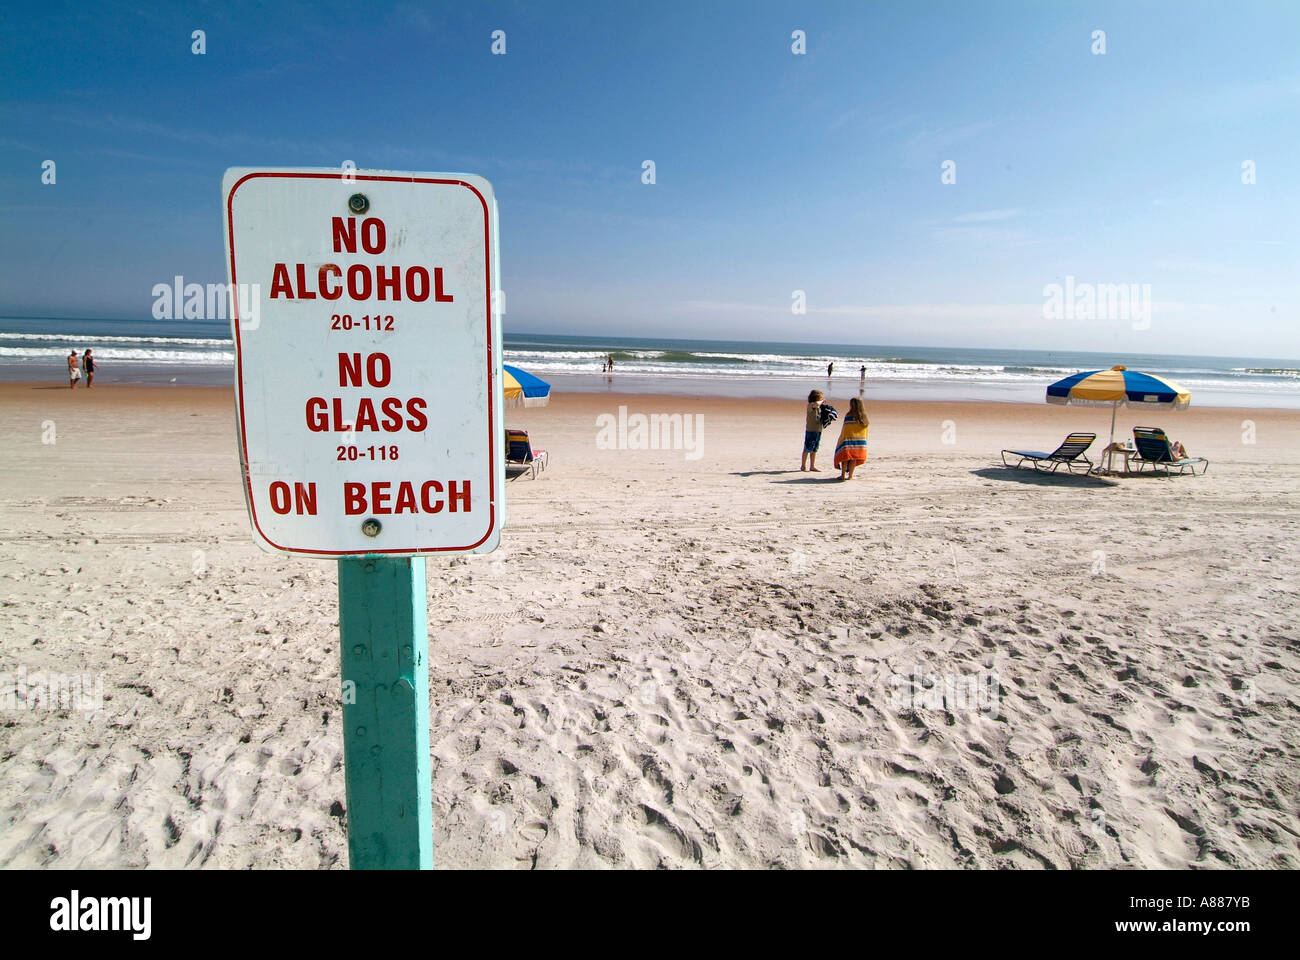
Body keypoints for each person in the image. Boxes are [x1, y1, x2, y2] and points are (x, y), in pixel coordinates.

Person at [834, 396, 870, 480]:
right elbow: (864, 430)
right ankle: (850, 476)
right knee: (854, 458)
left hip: (848, 439)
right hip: (859, 441)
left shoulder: (849, 415)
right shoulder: (864, 418)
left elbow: (845, 428)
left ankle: (843, 475)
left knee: (845, 458)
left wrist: (841, 438)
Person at [801, 389, 825, 471]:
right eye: (821, 398)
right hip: (811, 430)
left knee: (815, 449)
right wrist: (822, 401)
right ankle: (803, 465)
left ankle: (812, 466)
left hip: (818, 429)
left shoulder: (819, 407)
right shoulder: (810, 405)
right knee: (807, 448)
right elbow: (815, 404)